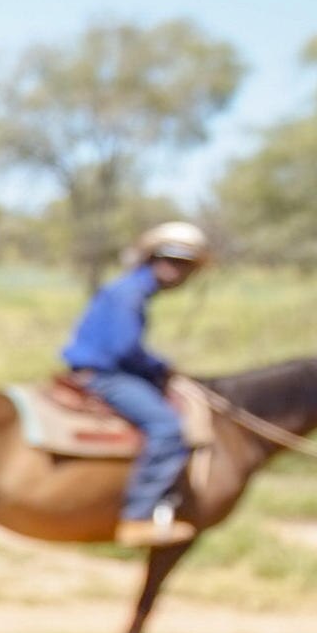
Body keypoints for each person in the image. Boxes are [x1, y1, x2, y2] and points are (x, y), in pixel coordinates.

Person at [63, 219, 214, 545]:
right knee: (167, 427)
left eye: (185, 265)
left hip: (103, 370)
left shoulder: (131, 290)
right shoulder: (129, 293)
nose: (177, 271)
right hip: (105, 376)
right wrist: (161, 367)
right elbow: (124, 349)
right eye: (171, 261)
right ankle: (138, 516)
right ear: (152, 258)